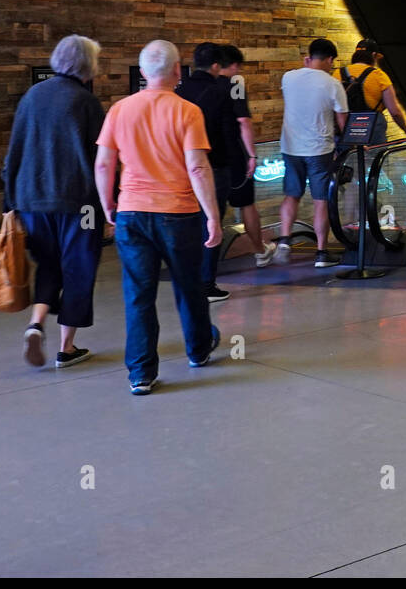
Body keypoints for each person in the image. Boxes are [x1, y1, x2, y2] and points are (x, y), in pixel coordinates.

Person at [95, 40, 222, 395]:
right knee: (189, 285)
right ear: (177, 71)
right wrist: (212, 215)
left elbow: (104, 162)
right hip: (178, 214)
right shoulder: (187, 111)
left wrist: (108, 203)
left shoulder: (120, 110)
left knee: (138, 293)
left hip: (132, 214)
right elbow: (197, 167)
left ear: (143, 73)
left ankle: (140, 374)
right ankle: (198, 350)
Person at [2, 34, 105, 369]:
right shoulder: (85, 101)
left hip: (31, 199)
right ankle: (67, 347)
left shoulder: (32, 96)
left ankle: (36, 322)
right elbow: (100, 158)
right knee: (78, 268)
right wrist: (110, 201)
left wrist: (9, 204)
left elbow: (13, 153)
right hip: (79, 203)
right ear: (88, 65)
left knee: (49, 263)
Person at [272, 38, 347, 269]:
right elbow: (343, 121)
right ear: (330, 59)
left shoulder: (288, 77)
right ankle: (321, 253)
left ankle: (285, 240)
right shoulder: (333, 84)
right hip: (319, 150)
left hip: (291, 148)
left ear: (309, 56)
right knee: (320, 201)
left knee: (291, 195)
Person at [175, 42, 238, 301]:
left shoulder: (179, 91)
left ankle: (187, 279)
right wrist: (237, 166)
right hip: (214, 166)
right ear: (215, 66)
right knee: (211, 224)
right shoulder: (220, 92)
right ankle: (206, 284)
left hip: (181, 167)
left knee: (188, 224)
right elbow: (229, 134)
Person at [217, 44, 275, 268]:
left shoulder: (201, 85)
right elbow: (243, 121)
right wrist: (252, 154)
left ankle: (206, 258)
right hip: (234, 154)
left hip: (207, 156)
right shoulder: (235, 84)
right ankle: (260, 251)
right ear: (233, 65)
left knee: (212, 207)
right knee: (246, 204)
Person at [338, 40, 406, 145]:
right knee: (375, 159)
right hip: (373, 128)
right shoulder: (379, 76)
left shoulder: (338, 73)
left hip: (346, 126)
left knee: (350, 159)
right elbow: (395, 112)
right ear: (373, 55)